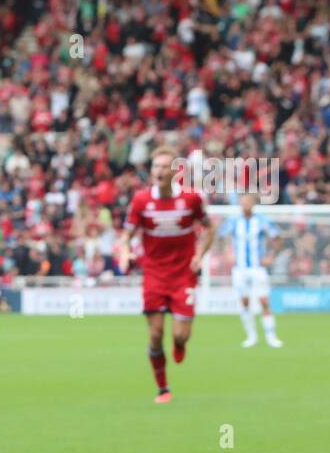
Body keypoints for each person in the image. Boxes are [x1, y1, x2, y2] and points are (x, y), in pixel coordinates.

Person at [116, 147, 214, 403]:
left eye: (163, 167)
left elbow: (209, 228)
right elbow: (126, 234)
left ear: (175, 171)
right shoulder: (140, 200)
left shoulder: (191, 199)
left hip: (183, 275)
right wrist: (125, 252)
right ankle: (163, 389)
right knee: (156, 334)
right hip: (154, 275)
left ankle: (180, 345)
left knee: (180, 335)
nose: (158, 171)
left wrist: (199, 255)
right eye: (155, 167)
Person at [220, 193, 283, 348]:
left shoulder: (262, 220)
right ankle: (251, 336)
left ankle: (271, 336)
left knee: (264, 300)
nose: (245, 204)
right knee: (245, 301)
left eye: (248, 201)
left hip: (257, 268)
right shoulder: (233, 221)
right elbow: (220, 236)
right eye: (243, 201)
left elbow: (278, 237)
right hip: (240, 269)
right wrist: (226, 252)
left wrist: (271, 256)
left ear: (254, 203)